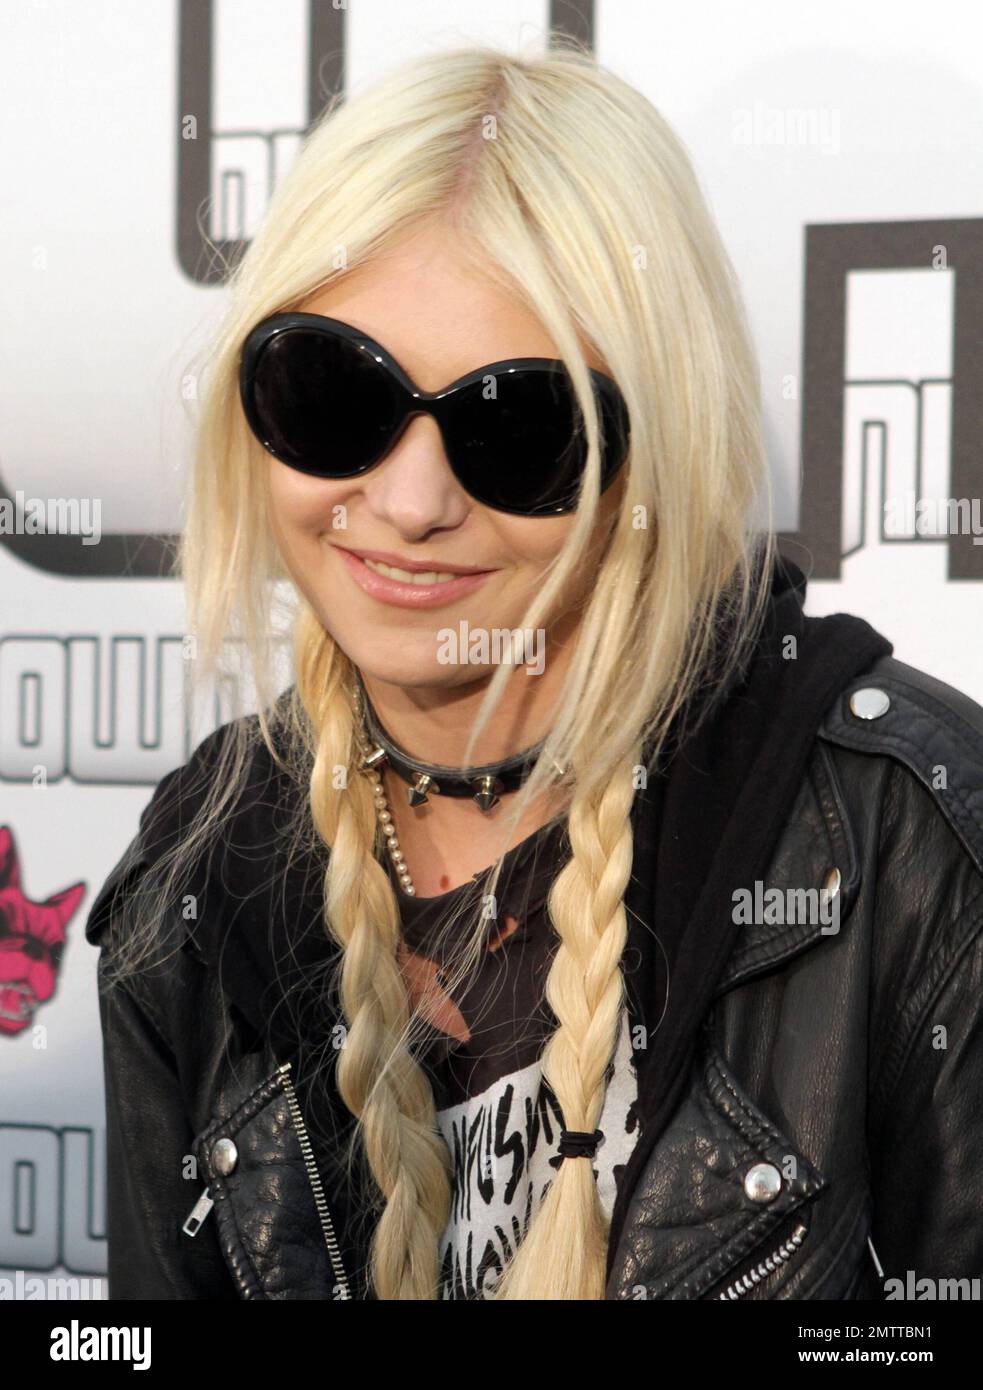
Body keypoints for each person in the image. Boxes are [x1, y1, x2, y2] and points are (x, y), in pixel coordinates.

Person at [86, 41, 983, 1302]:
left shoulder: (911, 845)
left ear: (650, 451)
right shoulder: (190, 886)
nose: (406, 503)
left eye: (518, 426)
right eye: (333, 393)